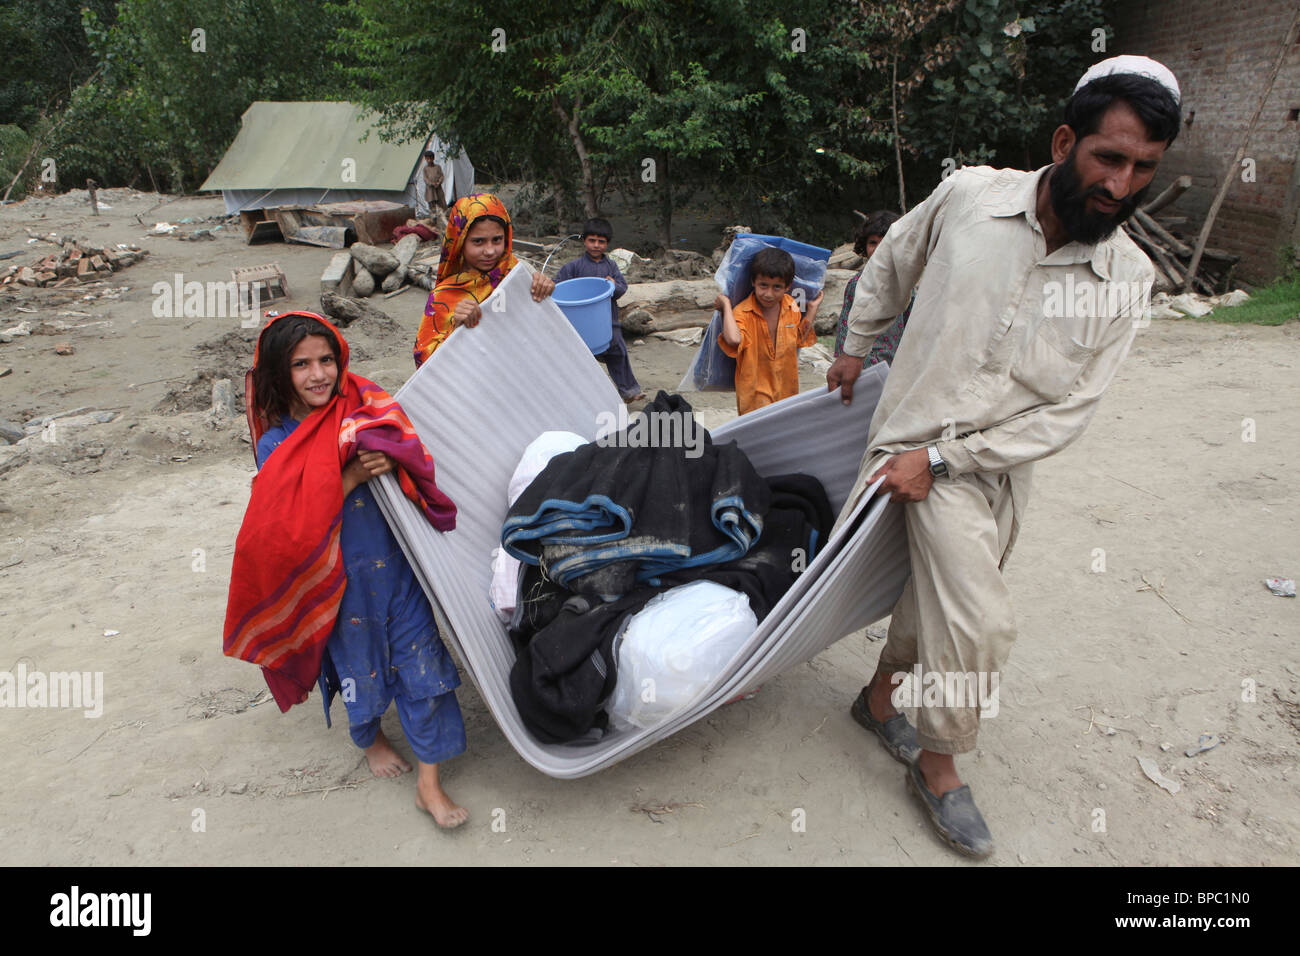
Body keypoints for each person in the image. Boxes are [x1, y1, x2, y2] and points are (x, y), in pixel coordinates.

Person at [826, 56, 1180, 858]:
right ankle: (940, 765)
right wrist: (854, 345)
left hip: (994, 468)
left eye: (1144, 169)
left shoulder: (1126, 278)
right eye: (1109, 158)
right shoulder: (970, 198)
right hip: (910, 437)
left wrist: (949, 463)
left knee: (935, 606)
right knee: (980, 622)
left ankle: (880, 701)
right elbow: (893, 260)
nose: (1122, 187)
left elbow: (1068, 413)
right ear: (1065, 140)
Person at [225, 311, 469, 828]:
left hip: (397, 569)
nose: (319, 374)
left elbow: (408, 441)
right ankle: (371, 738)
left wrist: (394, 458)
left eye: (326, 360)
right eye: (301, 365)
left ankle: (429, 784)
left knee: (423, 666)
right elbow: (295, 520)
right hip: (336, 583)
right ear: (278, 372)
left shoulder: (361, 409)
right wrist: (355, 472)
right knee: (360, 670)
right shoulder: (277, 443)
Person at [414, 192, 555, 367]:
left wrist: (545, 291)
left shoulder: (519, 273)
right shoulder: (443, 296)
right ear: (459, 242)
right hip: (475, 384)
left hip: (520, 377)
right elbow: (424, 363)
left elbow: (545, 330)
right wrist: (456, 329)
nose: (489, 251)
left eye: (497, 240)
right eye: (478, 242)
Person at [716, 247, 823, 416]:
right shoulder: (744, 311)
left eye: (777, 287)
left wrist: (811, 310)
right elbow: (734, 340)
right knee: (758, 439)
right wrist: (726, 306)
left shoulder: (791, 306)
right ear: (753, 282)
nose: (768, 294)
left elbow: (798, 339)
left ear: (787, 287)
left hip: (786, 390)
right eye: (763, 285)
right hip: (755, 394)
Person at [555, 217, 645, 402]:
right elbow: (557, 286)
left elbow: (622, 286)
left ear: (607, 244)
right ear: (584, 240)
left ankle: (628, 390)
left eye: (601, 242)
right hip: (581, 323)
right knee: (580, 359)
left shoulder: (611, 266)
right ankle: (582, 397)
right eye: (592, 240)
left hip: (607, 320)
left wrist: (614, 285)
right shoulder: (574, 267)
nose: (596, 245)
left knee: (618, 351)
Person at [832, 210, 911, 366]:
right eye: (873, 243)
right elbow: (845, 326)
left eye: (885, 243)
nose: (878, 249)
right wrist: (842, 359)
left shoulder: (906, 284)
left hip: (895, 364)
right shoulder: (857, 283)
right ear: (864, 245)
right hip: (862, 362)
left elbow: (911, 323)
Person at [421, 149, 446, 220]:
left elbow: (442, 176)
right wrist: (431, 183)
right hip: (430, 190)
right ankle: (433, 219)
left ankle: (444, 217)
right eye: (427, 159)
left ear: (433, 158)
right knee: (432, 204)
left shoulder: (437, 167)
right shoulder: (425, 168)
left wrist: (438, 182)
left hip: (438, 188)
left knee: (442, 203)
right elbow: (425, 179)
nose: (429, 160)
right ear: (425, 159)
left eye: (430, 158)